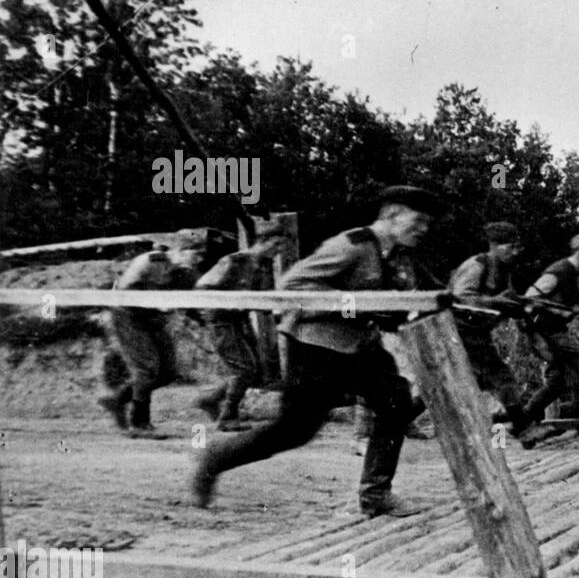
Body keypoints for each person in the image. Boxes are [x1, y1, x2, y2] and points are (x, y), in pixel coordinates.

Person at [191, 186, 436, 516]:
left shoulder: (396, 256)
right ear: (392, 215)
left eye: (426, 223)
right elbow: (293, 285)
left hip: (360, 346)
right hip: (315, 346)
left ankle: (375, 494)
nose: (424, 229)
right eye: (417, 220)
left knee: (396, 401)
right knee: (294, 430)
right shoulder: (352, 244)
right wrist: (356, 309)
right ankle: (214, 459)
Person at [98, 234, 207, 437]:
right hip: (129, 315)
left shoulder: (187, 273)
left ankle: (117, 401)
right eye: (187, 251)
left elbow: (194, 298)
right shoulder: (149, 261)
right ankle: (139, 423)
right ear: (171, 251)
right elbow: (126, 290)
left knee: (168, 372)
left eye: (198, 252)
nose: (194, 257)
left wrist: (202, 319)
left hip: (154, 319)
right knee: (147, 370)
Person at [448, 221, 545, 447]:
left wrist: (524, 306)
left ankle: (401, 419)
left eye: (516, 248)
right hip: (459, 330)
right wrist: (496, 302)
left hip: (477, 334)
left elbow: (503, 301)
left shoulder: (503, 270)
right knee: (502, 377)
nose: (514, 252)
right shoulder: (477, 265)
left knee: (453, 380)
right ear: (493, 245)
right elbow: (459, 300)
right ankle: (523, 429)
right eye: (509, 247)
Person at [192, 219, 288, 431]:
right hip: (221, 320)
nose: (279, 250)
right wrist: (214, 314)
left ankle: (210, 399)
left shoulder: (263, 265)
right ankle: (227, 416)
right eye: (276, 244)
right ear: (263, 241)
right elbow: (203, 287)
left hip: (240, 320)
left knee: (253, 370)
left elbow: (263, 299)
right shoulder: (235, 261)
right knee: (244, 369)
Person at [521, 233, 579, 423]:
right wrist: (558, 312)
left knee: (559, 380)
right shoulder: (558, 272)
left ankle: (525, 418)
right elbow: (529, 299)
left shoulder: (578, 277)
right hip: (543, 330)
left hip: (556, 329)